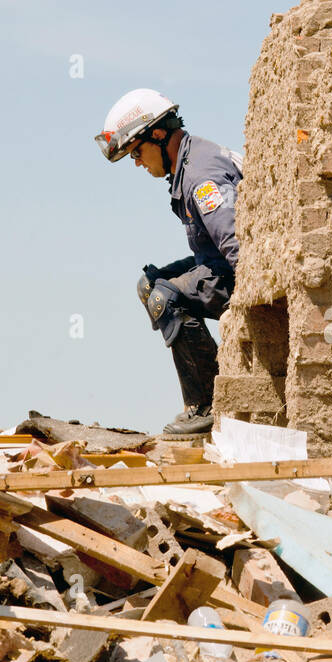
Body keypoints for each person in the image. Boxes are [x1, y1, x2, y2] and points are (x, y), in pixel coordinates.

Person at [95, 89, 243, 435]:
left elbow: (238, 244)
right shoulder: (188, 164)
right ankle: (204, 397)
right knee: (150, 283)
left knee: (165, 296)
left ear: (159, 135)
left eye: (137, 152)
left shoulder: (200, 176)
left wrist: (253, 315)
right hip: (217, 265)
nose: (137, 163)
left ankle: (208, 404)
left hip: (240, 275)